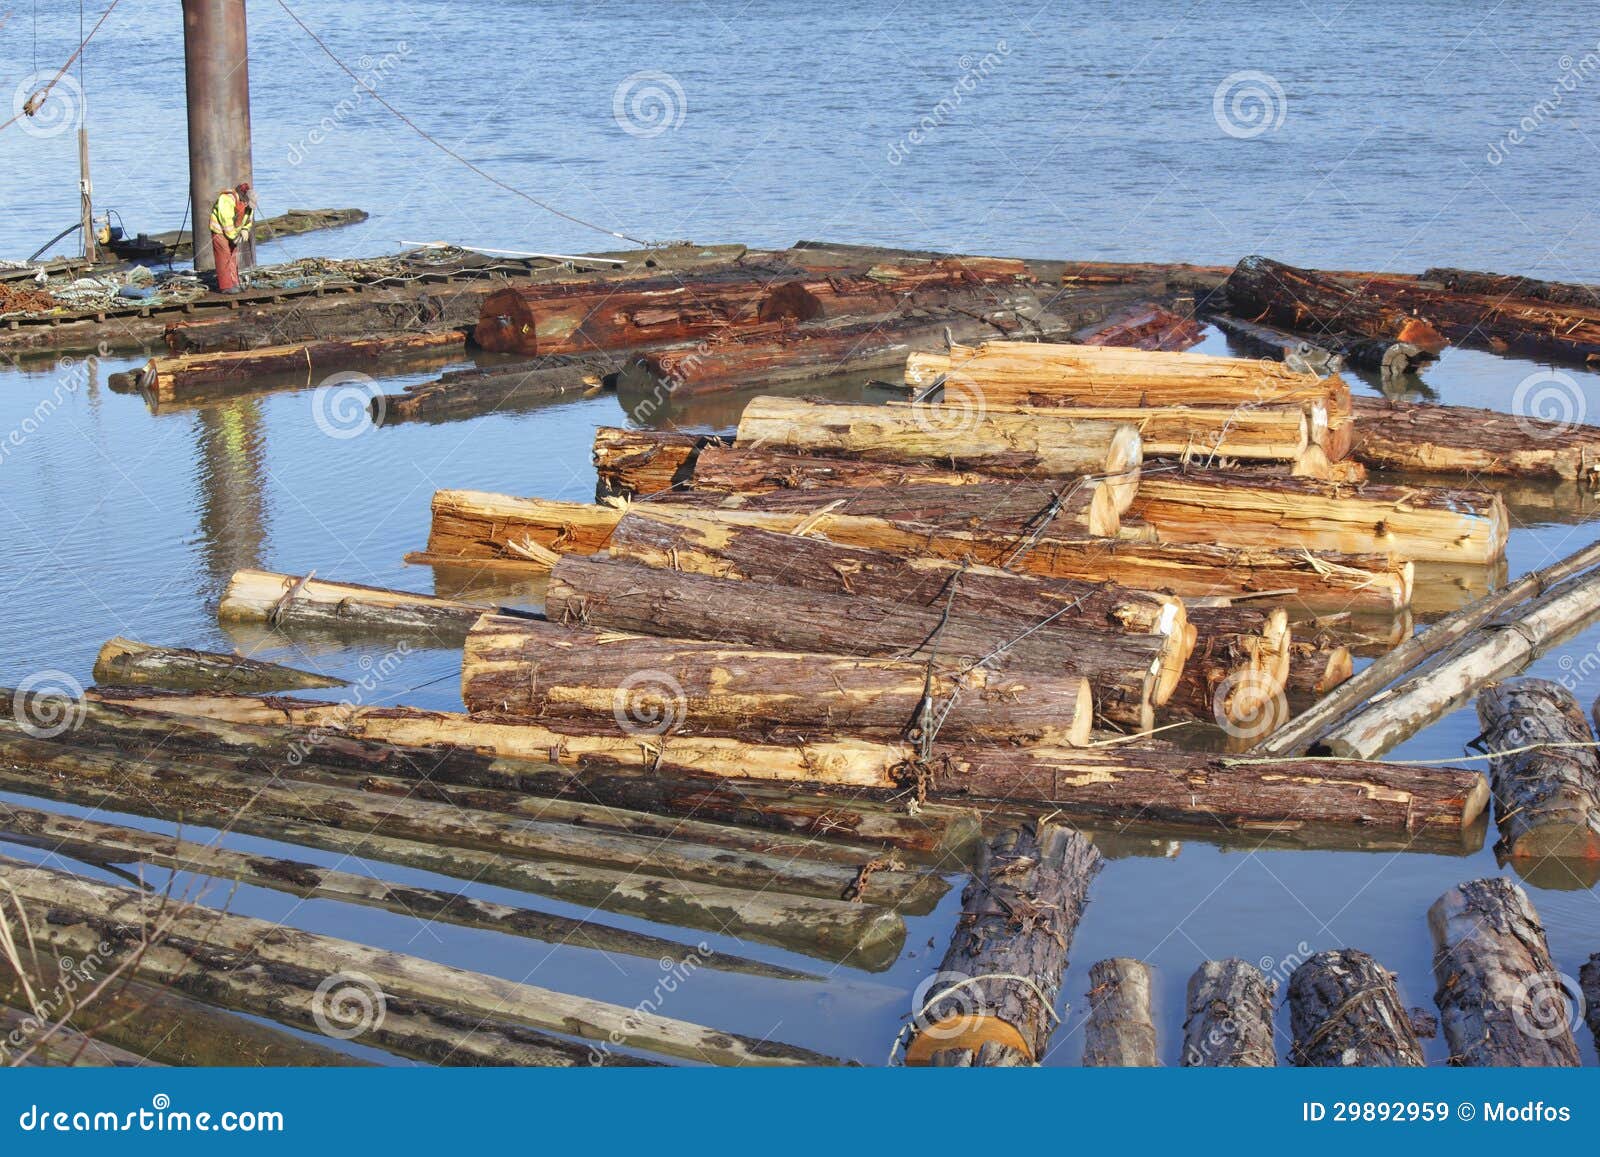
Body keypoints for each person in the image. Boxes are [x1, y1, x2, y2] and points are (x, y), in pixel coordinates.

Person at [209, 181, 254, 293]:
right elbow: (226, 221)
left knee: (233, 257)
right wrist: (233, 237)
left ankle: (234, 283)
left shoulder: (248, 205)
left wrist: (245, 229)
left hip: (233, 232)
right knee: (223, 256)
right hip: (220, 231)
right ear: (243, 198)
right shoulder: (226, 199)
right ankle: (226, 286)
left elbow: (248, 218)